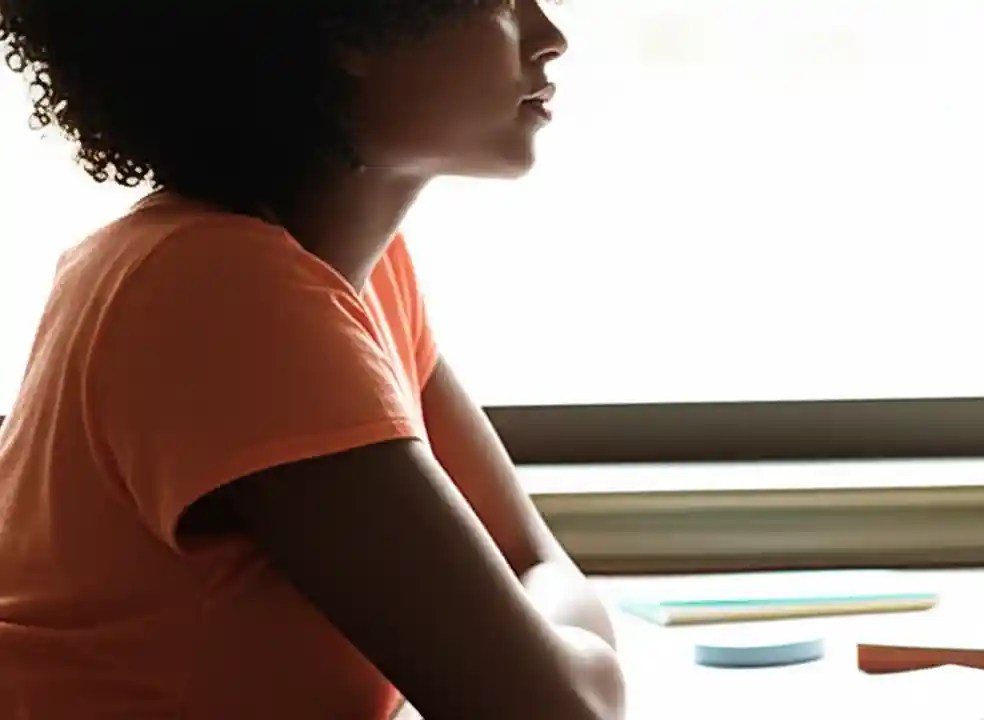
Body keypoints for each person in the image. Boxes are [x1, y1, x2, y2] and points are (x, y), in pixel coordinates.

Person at [0, 1, 625, 718]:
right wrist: (564, 648)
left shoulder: (353, 276)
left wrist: (553, 645)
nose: (550, 38)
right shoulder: (220, 291)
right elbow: (560, 705)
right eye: (502, 4)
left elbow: (534, 568)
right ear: (347, 27)